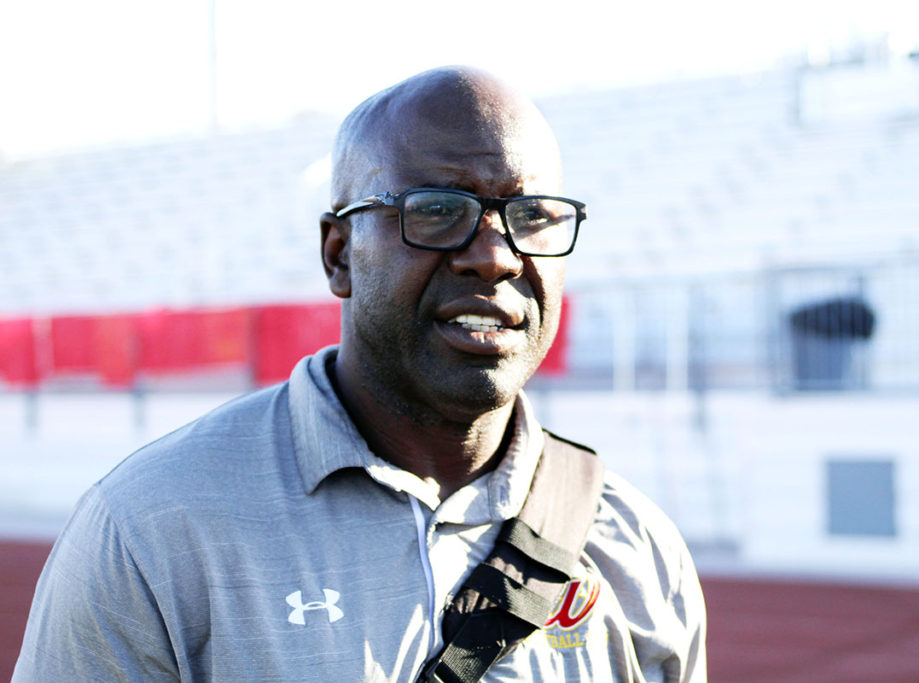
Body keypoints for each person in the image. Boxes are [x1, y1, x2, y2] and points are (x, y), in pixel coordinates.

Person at [14, 66, 706, 682]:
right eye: (437, 210)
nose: (495, 255)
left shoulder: (640, 550)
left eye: (532, 215)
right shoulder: (151, 530)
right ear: (339, 253)